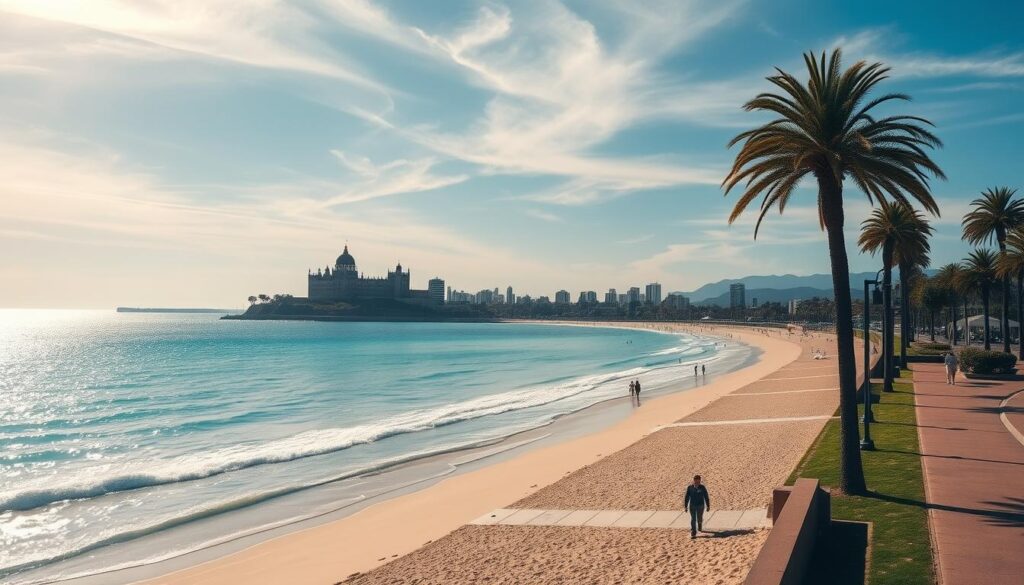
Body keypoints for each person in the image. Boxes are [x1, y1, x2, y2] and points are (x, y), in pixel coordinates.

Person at [683, 474, 711, 539]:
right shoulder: (690, 487)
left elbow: (706, 496)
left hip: (700, 506)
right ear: (694, 480)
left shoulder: (702, 487)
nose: (697, 482)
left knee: (699, 518)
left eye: (699, 481)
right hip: (692, 505)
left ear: (700, 481)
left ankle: (700, 525)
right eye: (696, 481)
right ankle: (693, 531)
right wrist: (685, 506)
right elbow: (687, 497)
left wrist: (708, 506)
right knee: (693, 519)